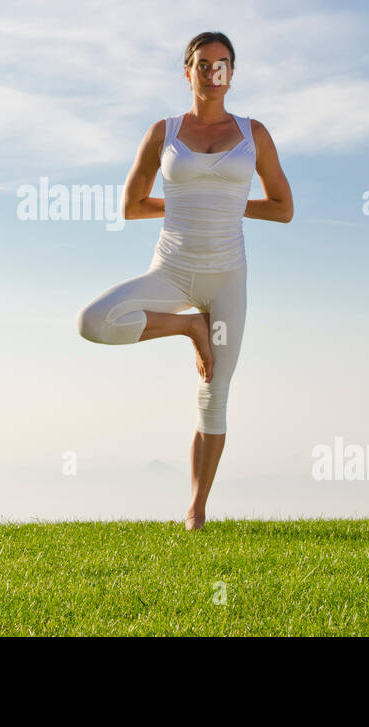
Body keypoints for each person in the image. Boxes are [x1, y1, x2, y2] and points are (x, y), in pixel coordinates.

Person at [76, 31, 293, 530]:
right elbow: (132, 207)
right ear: (187, 71)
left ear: (232, 74)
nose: (212, 71)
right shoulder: (164, 132)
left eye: (222, 64)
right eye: (202, 63)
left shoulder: (253, 134)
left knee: (215, 392)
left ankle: (196, 512)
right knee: (93, 321)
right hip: (171, 273)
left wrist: (231, 206)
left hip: (227, 280)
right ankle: (189, 327)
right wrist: (186, 205)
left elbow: (283, 209)